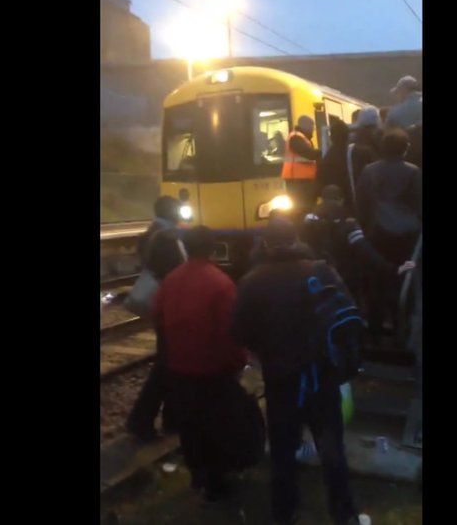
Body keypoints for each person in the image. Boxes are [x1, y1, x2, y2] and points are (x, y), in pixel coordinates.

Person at [233, 217, 363, 525]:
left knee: (282, 450)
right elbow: (347, 316)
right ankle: (344, 514)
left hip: (281, 379)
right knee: (332, 449)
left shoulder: (252, 281)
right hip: (323, 376)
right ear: (296, 239)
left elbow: (239, 332)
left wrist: (266, 348)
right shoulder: (321, 270)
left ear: (265, 243)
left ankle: (284, 512)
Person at [153, 226, 249, 502]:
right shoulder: (220, 283)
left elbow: (157, 314)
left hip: (179, 366)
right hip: (213, 369)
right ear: (213, 247)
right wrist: (238, 362)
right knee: (215, 424)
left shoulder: (171, 279)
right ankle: (215, 483)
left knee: (190, 424)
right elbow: (230, 331)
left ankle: (197, 474)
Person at [125, 196, 187, 441]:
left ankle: (171, 419)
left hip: (164, 306)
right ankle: (141, 420)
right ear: (172, 212)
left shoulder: (154, 232)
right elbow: (175, 272)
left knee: (169, 363)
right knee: (166, 364)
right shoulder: (167, 237)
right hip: (169, 307)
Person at [355, 128, 422, 345]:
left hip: (377, 233)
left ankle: (375, 326)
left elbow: (361, 203)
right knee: (406, 278)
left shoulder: (369, 171)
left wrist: (364, 228)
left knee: (378, 278)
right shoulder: (412, 172)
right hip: (408, 236)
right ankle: (401, 325)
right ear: (404, 148)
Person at [281, 115, 322, 219]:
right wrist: (321, 152)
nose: (313, 128)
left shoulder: (302, 138)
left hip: (302, 181)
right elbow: (309, 153)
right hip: (298, 182)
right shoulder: (296, 137)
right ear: (305, 125)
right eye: (312, 125)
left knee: (304, 209)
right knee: (301, 210)